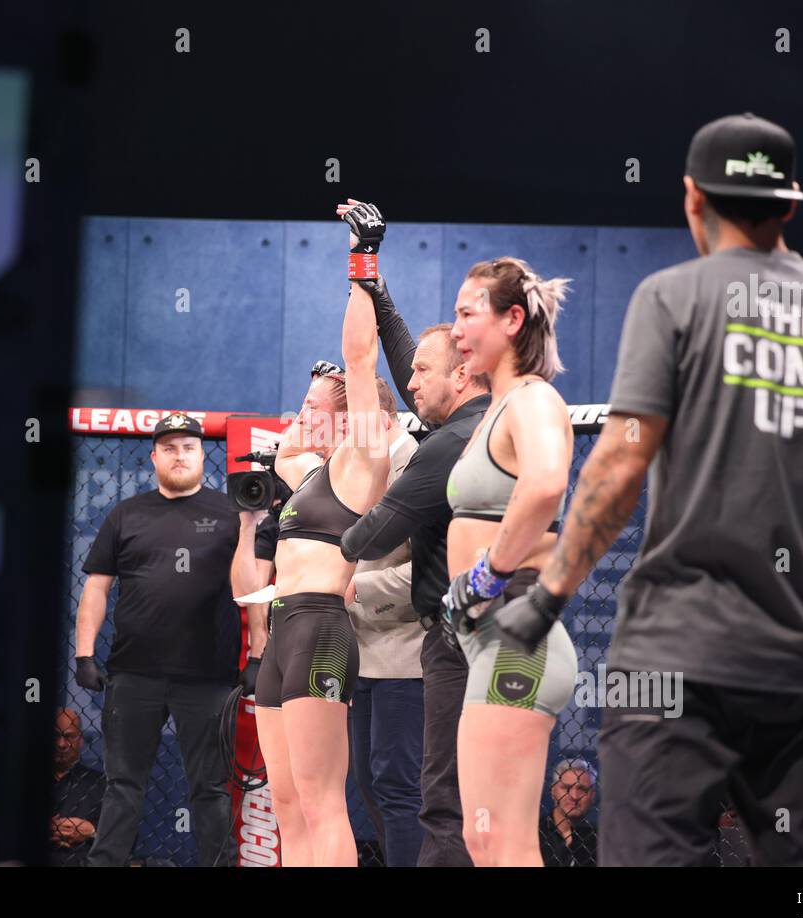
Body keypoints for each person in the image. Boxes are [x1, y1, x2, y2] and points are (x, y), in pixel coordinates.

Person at [495, 113, 803, 866]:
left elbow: (618, 465)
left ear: (691, 198)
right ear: (790, 205)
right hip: (797, 667)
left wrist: (547, 595)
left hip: (664, 662)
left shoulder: (672, 298)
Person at [237, 202, 394, 866]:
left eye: (311, 409)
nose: (296, 419)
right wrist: (311, 397)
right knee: (288, 799)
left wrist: (363, 261)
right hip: (281, 630)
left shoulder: (361, 464)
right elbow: (292, 443)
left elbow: (360, 357)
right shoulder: (307, 473)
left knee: (324, 800)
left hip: (321, 627)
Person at [339, 202, 492, 867]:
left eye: (424, 376)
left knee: (440, 800)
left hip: (461, 640)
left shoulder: (444, 447)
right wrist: (368, 264)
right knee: (470, 801)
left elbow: (370, 536)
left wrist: (320, 532)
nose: (409, 384)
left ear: (462, 375)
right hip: (489, 633)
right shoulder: (480, 417)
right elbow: (406, 348)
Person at [442, 255, 579, 867]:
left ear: (512, 319)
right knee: (484, 837)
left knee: (505, 842)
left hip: (518, 631)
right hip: (489, 639)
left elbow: (548, 484)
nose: (455, 331)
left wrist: (486, 573)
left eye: (467, 315)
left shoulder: (532, 399)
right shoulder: (495, 408)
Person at [74, 413, 243, 867]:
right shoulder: (126, 514)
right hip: (134, 674)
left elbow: (256, 584)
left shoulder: (231, 515)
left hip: (208, 676)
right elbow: (96, 588)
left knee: (210, 789)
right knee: (123, 784)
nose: (179, 454)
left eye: (188, 446)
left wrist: (261, 648)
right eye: (169, 447)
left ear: (202, 454)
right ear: (154, 456)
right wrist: (84, 653)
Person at [343, 411, 424, 867]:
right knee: (372, 785)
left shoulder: (416, 467)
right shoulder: (350, 466)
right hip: (360, 655)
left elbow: (433, 572)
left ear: (383, 418)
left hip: (403, 655)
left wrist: (359, 590)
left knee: (398, 787)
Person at [50, 708, 105, 866]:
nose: (61, 744)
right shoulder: (23, 781)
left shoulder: (102, 785)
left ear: (80, 740)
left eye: (69, 736)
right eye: (55, 736)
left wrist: (92, 832)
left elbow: (128, 839)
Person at [539, 758, 598, 867]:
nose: (574, 796)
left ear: (592, 796)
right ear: (553, 791)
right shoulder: (535, 834)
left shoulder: (600, 841)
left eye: (582, 789)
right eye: (566, 788)